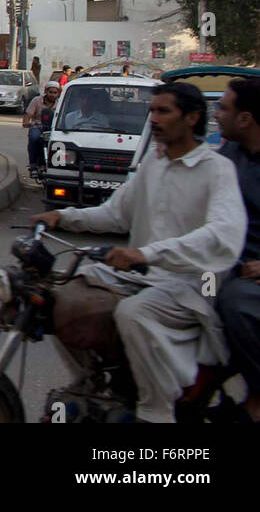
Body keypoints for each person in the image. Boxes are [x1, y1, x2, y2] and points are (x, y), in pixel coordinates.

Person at [33, 83, 246, 422]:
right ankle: (93, 380)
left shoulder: (216, 169)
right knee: (57, 298)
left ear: (191, 118)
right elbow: (116, 213)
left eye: (164, 112)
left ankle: (155, 411)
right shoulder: (153, 162)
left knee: (133, 313)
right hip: (140, 274)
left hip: (192, 283)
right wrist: (64, 216)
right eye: (152, 111)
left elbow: (223, 234)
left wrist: (148, 254)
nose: (154, 119)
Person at [215, 77, 260, 422]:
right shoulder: (228, 154)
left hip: (251, 277)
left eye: (223, 108)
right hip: (221, 266)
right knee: (193, 293)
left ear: (245, 118)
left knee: (233, 301)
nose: (216, 115)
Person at [23, 80, 60, 172]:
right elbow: (28, 115)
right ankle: (33, 163)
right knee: (34, 137)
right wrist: (27, 123)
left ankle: (60, 165)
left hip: (54, 129)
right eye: (50, 92)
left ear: (58, 93)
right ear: (45, 91)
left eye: (55, 93)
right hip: (38, 126)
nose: (52, 95)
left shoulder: (61, 103)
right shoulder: (36, 100)